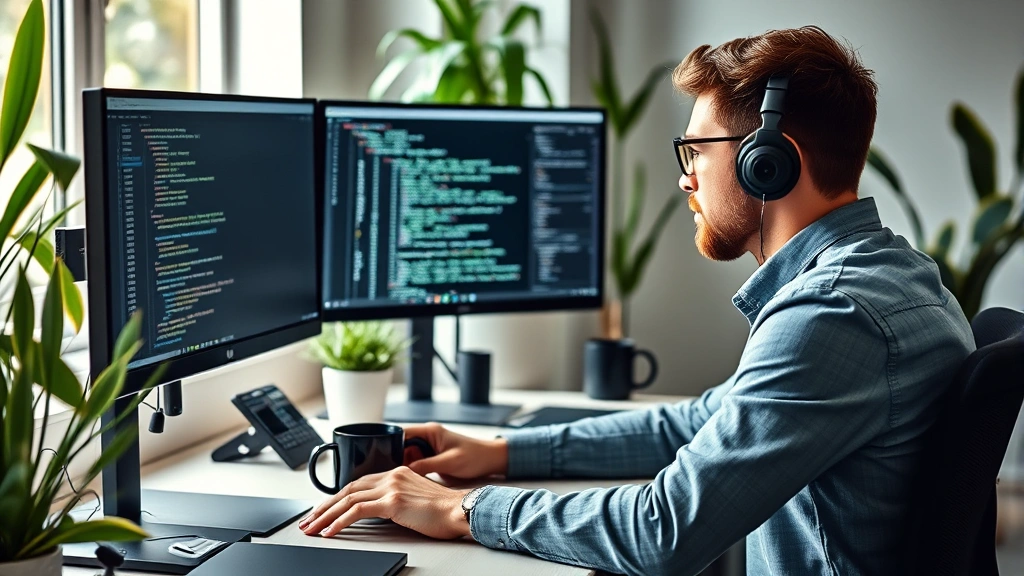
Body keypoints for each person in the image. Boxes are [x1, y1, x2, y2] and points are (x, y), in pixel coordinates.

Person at [298, 26, 975, 576]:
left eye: (696, 150)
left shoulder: (832, 316)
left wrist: (464, 510)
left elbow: (664, 531)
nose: (685, 178)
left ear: (769, 161)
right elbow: (700, 424)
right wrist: (500, 451)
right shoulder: (895, 275)